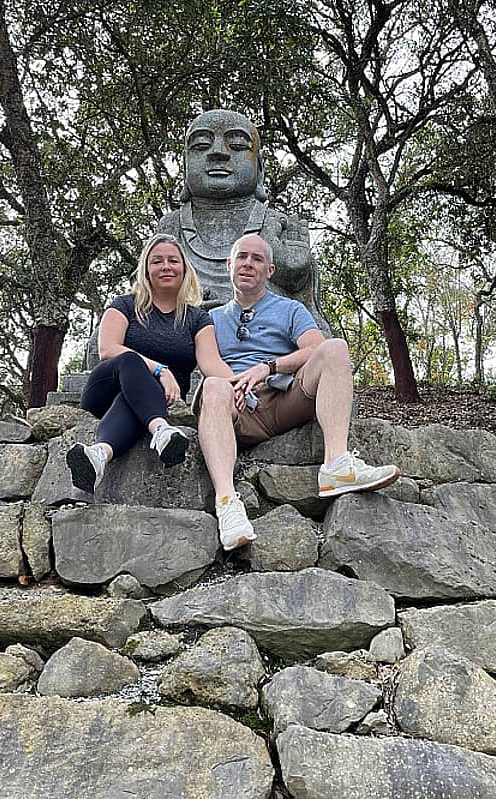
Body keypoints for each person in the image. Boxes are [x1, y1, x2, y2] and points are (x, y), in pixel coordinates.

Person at [196, 232, 400, 550]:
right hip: (236, 406)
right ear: (228, 264)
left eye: (257, 259)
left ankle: (336, 465)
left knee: (334, 349)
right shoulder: (209, 319)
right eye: (242, 257)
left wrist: (269, 367)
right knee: (212, 387)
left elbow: (314, 348)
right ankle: (227, 505)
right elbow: (206, 361)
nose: (248, 264)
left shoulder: (290, 309)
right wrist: (235, 383)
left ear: (270, 271)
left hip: (283, 398)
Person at [67, 233, 229, 494]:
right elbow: (107, 349)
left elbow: (212, 364)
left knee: (132, 400)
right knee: (130, 360)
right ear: (146, 269)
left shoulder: (197, 318)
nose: (166, 266)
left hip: (152, 400)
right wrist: (159, 369)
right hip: (107, 387)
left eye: (173, 261)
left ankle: (98, 455)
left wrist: (242, 384)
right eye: (157, 261)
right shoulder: (124, 305)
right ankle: (162, 431)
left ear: (185, 269)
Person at [156, 109, 326, 330]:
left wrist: (293, 264)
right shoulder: (171, 226)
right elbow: (145, 291)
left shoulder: (276, 223)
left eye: (237, 146)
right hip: (185, 331)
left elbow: (301, 295)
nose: (218, 153)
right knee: (106, 334)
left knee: (322, 346)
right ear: (185, 164)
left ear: (260, 166)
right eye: (201, 146)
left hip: (262, 333)